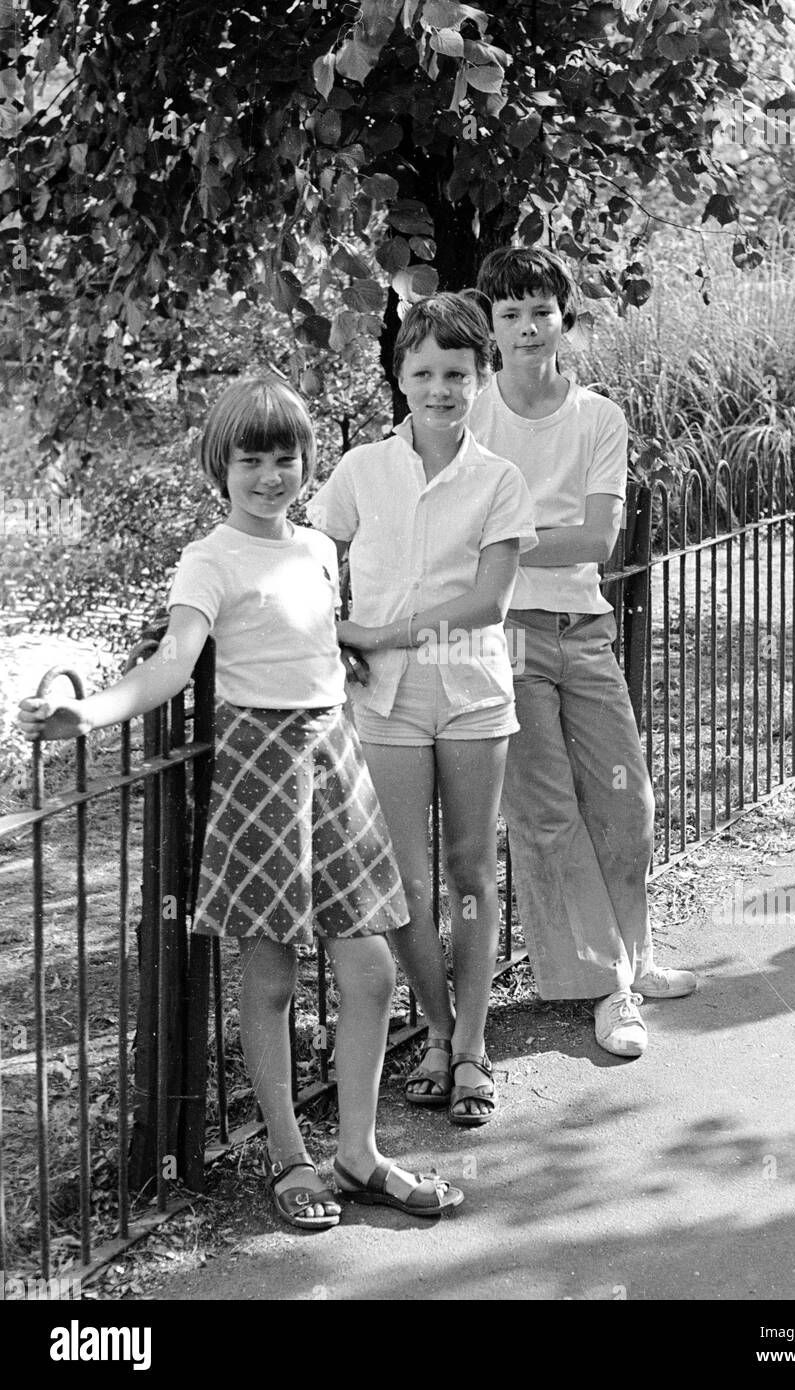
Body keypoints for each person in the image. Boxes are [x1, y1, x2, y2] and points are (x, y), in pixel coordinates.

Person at [17, 375, 463, 1224]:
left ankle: (359, 1153)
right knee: (270, 977)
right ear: (218, 467)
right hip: (262, 768)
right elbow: (171, 666)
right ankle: (291, 1159)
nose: (270, 474)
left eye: (284, 456)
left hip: (334, 755)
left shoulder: (315, 548)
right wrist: (88, 712)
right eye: (250, 459)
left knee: (368, 969)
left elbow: (318, 637)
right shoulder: (209, 558)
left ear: (305, 462)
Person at [306, 293, 537, 1126]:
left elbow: (487, 604)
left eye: (457, 373)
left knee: (471, 874)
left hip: (471, 694)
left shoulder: (499, 479)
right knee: (402, 882)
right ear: (399, 377)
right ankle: (437, 1033)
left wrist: (384, 629)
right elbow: (311, 551)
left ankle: (474, 1048)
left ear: (481, 379)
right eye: (423, 372)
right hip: (384, 705)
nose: (439, 388)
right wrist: (317, 624)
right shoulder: (363, 467)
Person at [470, 247, 698, 1058]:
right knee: (546, 814)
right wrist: (514, 548)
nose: (527, 329)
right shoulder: (466, 415)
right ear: (490, 326)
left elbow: (597, 540)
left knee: (625, 804)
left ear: (563, 317)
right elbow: (436, 522)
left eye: (540, 311)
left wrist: (495, 540)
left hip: (584, 630)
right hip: (504, 638)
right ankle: (608, 988)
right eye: (509, 315)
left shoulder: (597, 416)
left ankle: (629, 958)